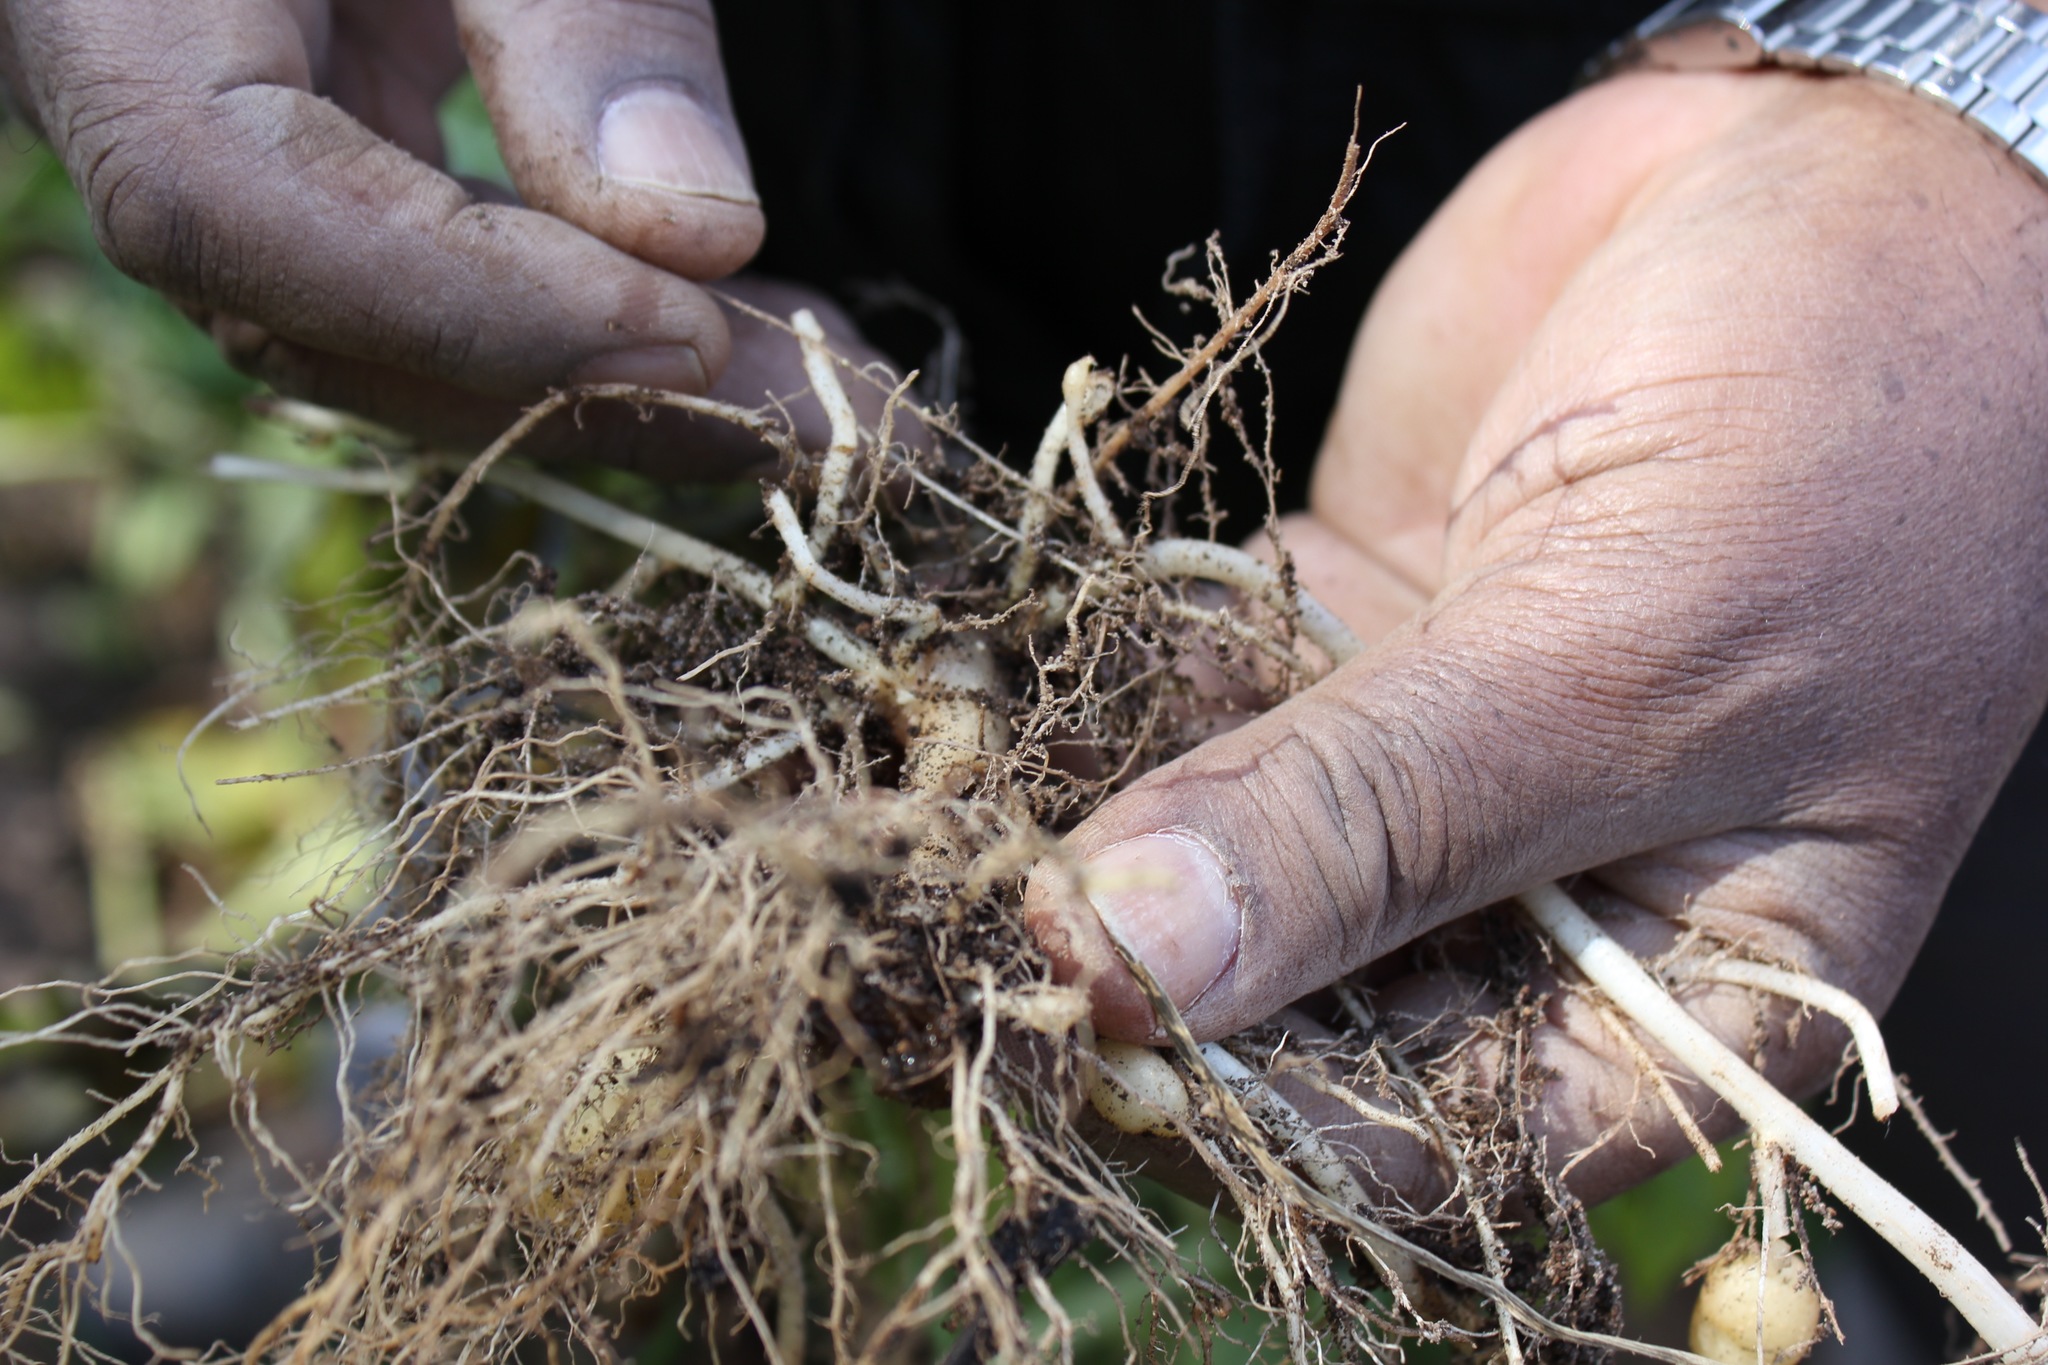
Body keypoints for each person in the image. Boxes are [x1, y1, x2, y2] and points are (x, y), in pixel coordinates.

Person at [5, 0, 2044, 1284]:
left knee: (1839, 981)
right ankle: (548, 1125)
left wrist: (1994, 122)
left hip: (1812, 319)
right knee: (830, 691)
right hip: (859, 150)